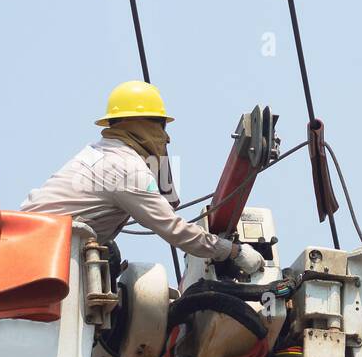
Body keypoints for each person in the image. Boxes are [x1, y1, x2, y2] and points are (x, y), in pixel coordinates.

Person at [20, 81, 263, 273]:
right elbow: (173, 229)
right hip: (44, 256)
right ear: (142, 125)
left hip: (28, 244)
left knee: (109, 255)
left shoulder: (99, 151)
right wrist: (233, 252)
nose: (164, 137)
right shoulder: (126, 168)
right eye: (160, 126)